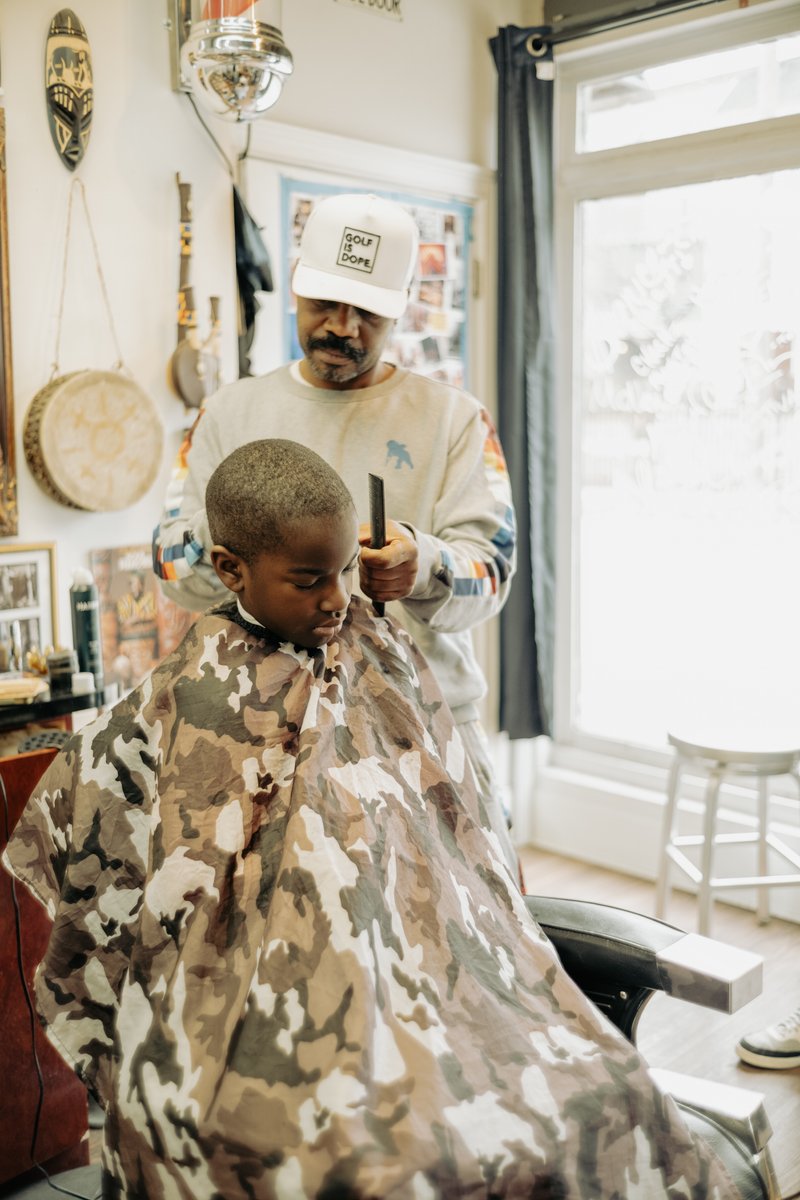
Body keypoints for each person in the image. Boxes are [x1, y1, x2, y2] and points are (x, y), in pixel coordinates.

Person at [5, 440, 741, 1198]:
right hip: (259, 1003)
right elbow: (101, 841)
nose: (336, 599)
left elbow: (454, 834)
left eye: (347, 572)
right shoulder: (186, 694)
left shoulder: (375, 646)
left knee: (605, 1097)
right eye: (309, 580)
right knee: (363, 1164)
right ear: (229, 570)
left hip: (428, 969)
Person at [152, 190, 518, 875]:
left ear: (400, 307)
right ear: (296, 284)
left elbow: (493, 573)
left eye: (368, 313)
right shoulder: (228, 413)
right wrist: (241, 531)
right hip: (260, 734)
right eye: (325, 303)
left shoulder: (454, 420)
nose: (343, 327)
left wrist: (424, 564)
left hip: (423, 731)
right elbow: (169, 562)